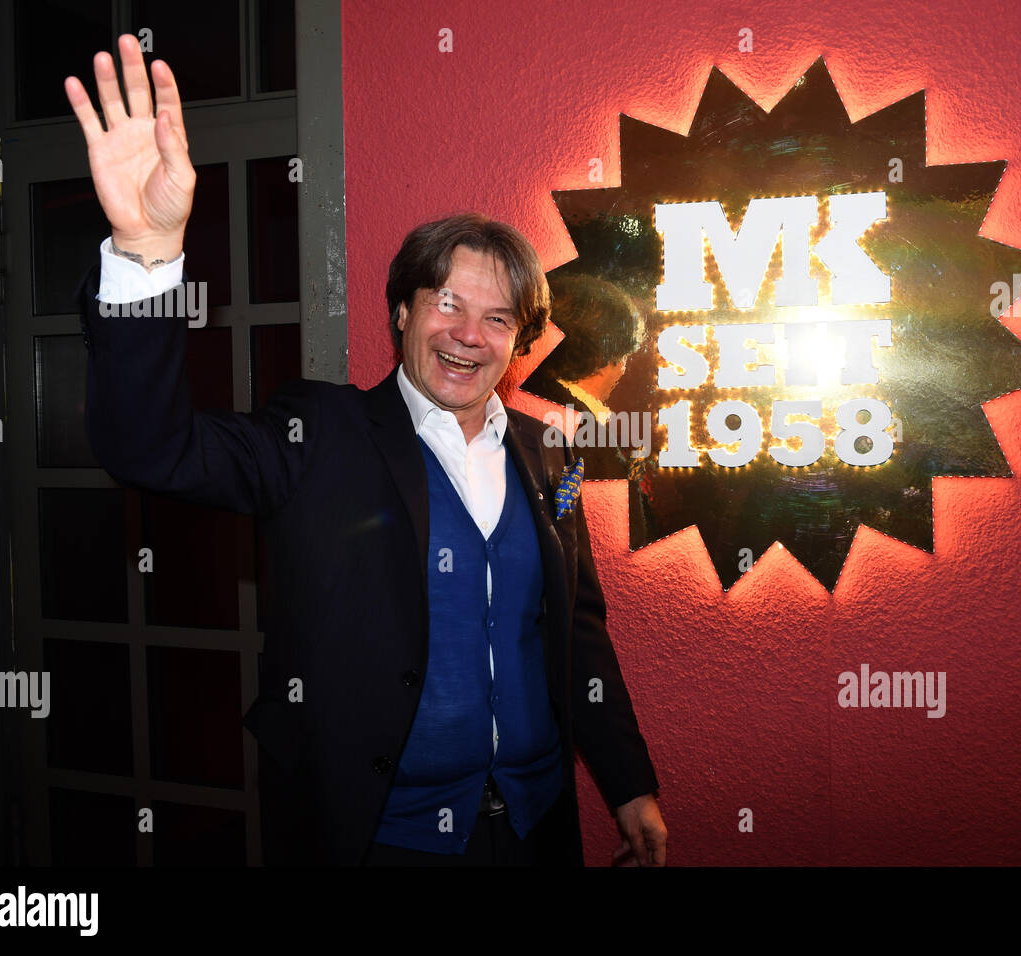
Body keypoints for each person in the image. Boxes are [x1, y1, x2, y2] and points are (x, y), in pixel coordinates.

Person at [65, 34, 667, 866]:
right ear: (400, 313)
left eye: (498, 319)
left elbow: (578, 630)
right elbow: (150, 448)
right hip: (380, 838)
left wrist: (628, 783)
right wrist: (144, 251)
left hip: (532, 827)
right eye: (446, 303)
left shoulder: (551, 454)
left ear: (520, 342)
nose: (468, 335)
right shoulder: (319, 436)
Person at [522, 274, 657, 547]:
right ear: (610, 357)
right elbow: (618, 552)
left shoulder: (521, 406)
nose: (623, 368)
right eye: (624, 355)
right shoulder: (588, 439)